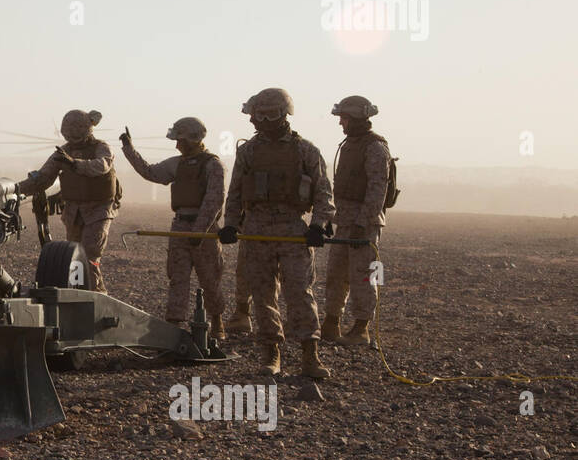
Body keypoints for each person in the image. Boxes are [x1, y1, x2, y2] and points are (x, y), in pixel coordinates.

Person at [219, 88, 335, 378]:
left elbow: (323, 192)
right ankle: (271, 354)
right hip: (256, 231)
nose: (256, 121)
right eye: (256, 115)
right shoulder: (248, 151)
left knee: (299, 293)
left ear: (279, 114)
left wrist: (318, 226)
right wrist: (231, 224)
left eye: (263, 115)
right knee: (262, 296)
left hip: (293, 230)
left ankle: (311, 356)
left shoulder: (305, 150)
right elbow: (234, 193)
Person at [120, 117, 226, 338]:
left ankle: (217, 321)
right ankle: (175, 325)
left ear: (193, 139)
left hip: (204, 229)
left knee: (210, 277)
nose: (177, 145)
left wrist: (200, 230)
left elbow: (214, 201)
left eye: (181, 140)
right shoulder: (176, 164)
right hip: (179, 226)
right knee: (178, 277)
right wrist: (129, 149)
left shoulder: (213, 165)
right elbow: (150, 172)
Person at [17, 109, 121, 293]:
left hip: (98, 211)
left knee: (89, 257)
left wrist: (74, 164)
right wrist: (14, 189)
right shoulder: (63, 152)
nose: (72, 135)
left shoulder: (101, 147)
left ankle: (95, 298)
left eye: (76, 131)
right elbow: (43, 178)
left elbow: (102, 166)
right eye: (68, 132)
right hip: (74, 213)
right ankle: (79, 294)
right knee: (74, 258)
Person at [323, 95, 391, 347]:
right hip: (345, 220)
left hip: (365, 223)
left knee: (364, 275)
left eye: (345, 118)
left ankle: (361, 328)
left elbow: (377, 189)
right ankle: (331, 322)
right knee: (336, 273)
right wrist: (332, 217)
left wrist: (363, 224)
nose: (341, 123)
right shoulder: (350, 145)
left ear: (357, 119)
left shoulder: (375, 148)